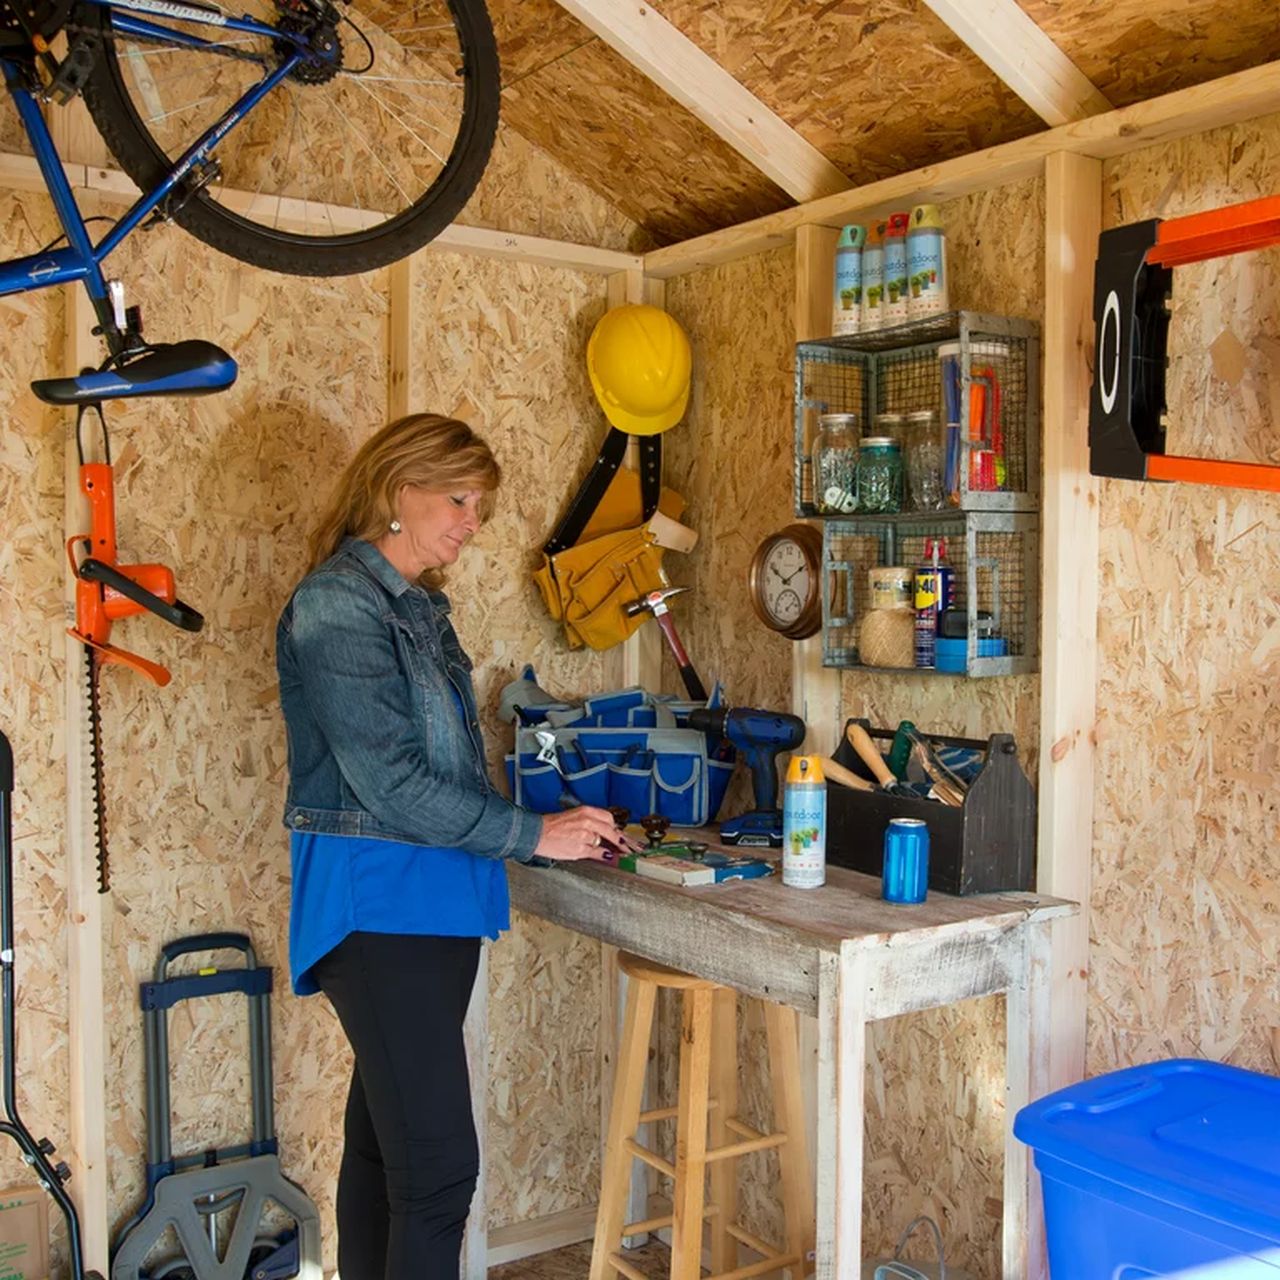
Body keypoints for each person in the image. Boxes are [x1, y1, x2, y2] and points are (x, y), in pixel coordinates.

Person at [275, 413, 630, 1280]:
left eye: (481, 506)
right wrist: (532, 833)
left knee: (385, 1153)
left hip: (432, 901)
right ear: (401, 490)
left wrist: (547, 823)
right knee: (438, 1175)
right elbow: (389, 782)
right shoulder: (336, 605)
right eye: (461, 500)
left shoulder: (419, 605)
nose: (474, 522)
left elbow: (443, 768)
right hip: (377, 904)